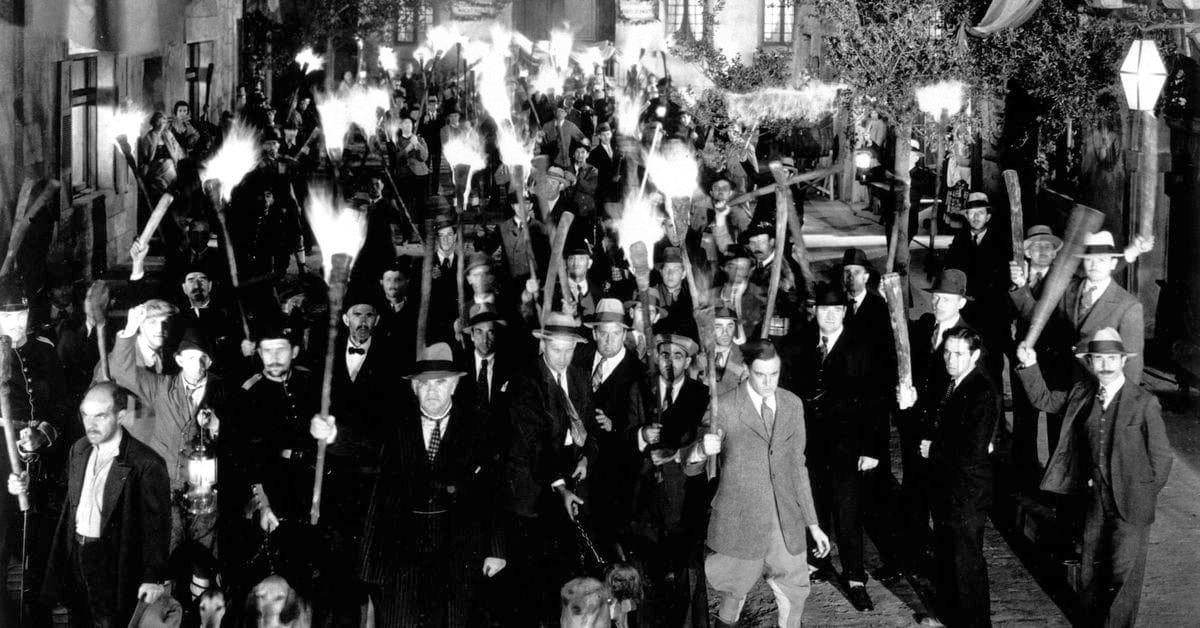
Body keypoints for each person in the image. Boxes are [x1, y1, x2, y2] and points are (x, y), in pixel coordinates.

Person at [323, 343, 507, 626]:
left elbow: (491, 491)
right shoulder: (396, 424)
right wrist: (333, 434)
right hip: (400, 550)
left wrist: (496, 549)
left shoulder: (477, 427)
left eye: (440, 382)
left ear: (454, 385)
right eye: (424, 384)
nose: (432, 391)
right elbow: (363, 444)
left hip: (457, 550)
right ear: (414, 388)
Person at [1016, 328, 1172, 626]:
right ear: (1090, 362)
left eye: (1112, 358)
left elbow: (1161, 458)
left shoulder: (1143, 402)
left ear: (1123, 361)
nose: (1106, 365)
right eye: (1099, 359)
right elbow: (1043, 400)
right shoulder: (1082, 394)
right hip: (1094, 500)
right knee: (1089, 572)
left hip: (1132, 503)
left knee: (1122, 578)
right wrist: (1029, 364)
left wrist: (1143, 493)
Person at [683, 339, 831, 628]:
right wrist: (701, 450)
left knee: (795, 591)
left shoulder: (792, 404)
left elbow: (797, 466)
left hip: (784, 518)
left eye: (774, 374)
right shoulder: (725, 406)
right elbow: (692, 466)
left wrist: (813, 524)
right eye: (760, 374)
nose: (767, 382)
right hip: (741, 518)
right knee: (734, 589)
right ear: (747, 370)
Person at [14, 383, 169, 628]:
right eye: (85, 415)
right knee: (78, 620)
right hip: (76, 556)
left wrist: (153, 578)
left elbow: (156, 529)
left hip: (113, 565)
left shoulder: (147, 464)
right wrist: (27, 488)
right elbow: (61, 501)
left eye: (100, 416)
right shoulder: (80, 449)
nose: (90, 424)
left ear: (120, 416)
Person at [783, 283, 886, 612]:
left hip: (847, 447)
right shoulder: (800, 345)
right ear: (815, 311)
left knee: (847, 512)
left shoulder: (862, 347)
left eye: (836, 310)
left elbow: (875, 402)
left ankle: (855, 578)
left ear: (844, 312)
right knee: (814, 505)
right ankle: (817, 561)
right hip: (809, 445)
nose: (829, 315)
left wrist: (872, 449)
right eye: (823, 309)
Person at [900, 327, 999, 627]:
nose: (951, 360)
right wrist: (913, 404)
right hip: (947, 487)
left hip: (967, 493)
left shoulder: (981, 391)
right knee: (947, 557)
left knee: (966, 564)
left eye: (958, 354)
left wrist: (934, 449)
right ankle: (948, 619)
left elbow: (973, 449)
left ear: (975, 355)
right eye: (947, 352)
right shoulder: (952, 384)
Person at [503, 312, 598, 624]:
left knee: (567, 572)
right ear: (543, 345)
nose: (563, 357)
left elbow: (590, 429)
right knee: (534, 579)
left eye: (569, 350)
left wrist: (586, 457)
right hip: (534, 489)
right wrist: (560, 487)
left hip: (568, 479)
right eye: (556, 349)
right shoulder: (525, 381)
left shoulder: (581, 377)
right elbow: (535, 444)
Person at [111, 308, 227, 553]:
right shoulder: (160, 387)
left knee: (204, 558)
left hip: (205, 492)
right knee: (164, 555)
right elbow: (122, 373)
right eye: (191, 358)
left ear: (210, 361)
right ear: (179, 360)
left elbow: (241, 437)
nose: (197, 365)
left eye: (203, 358)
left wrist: (218, 427)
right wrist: (129, 331)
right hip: (164, 489)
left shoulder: (223, 392)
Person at [1011, 230, 1145, 384]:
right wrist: (1021, 285)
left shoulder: (1128, 306)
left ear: (1113, 263)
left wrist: (1122, 397)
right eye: (1089, 259)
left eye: (1101, 260)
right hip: (1061, 381)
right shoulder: (1067, 288)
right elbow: (1037, 317)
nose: (1094, 265)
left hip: (1096, 385)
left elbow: (1132, 365)